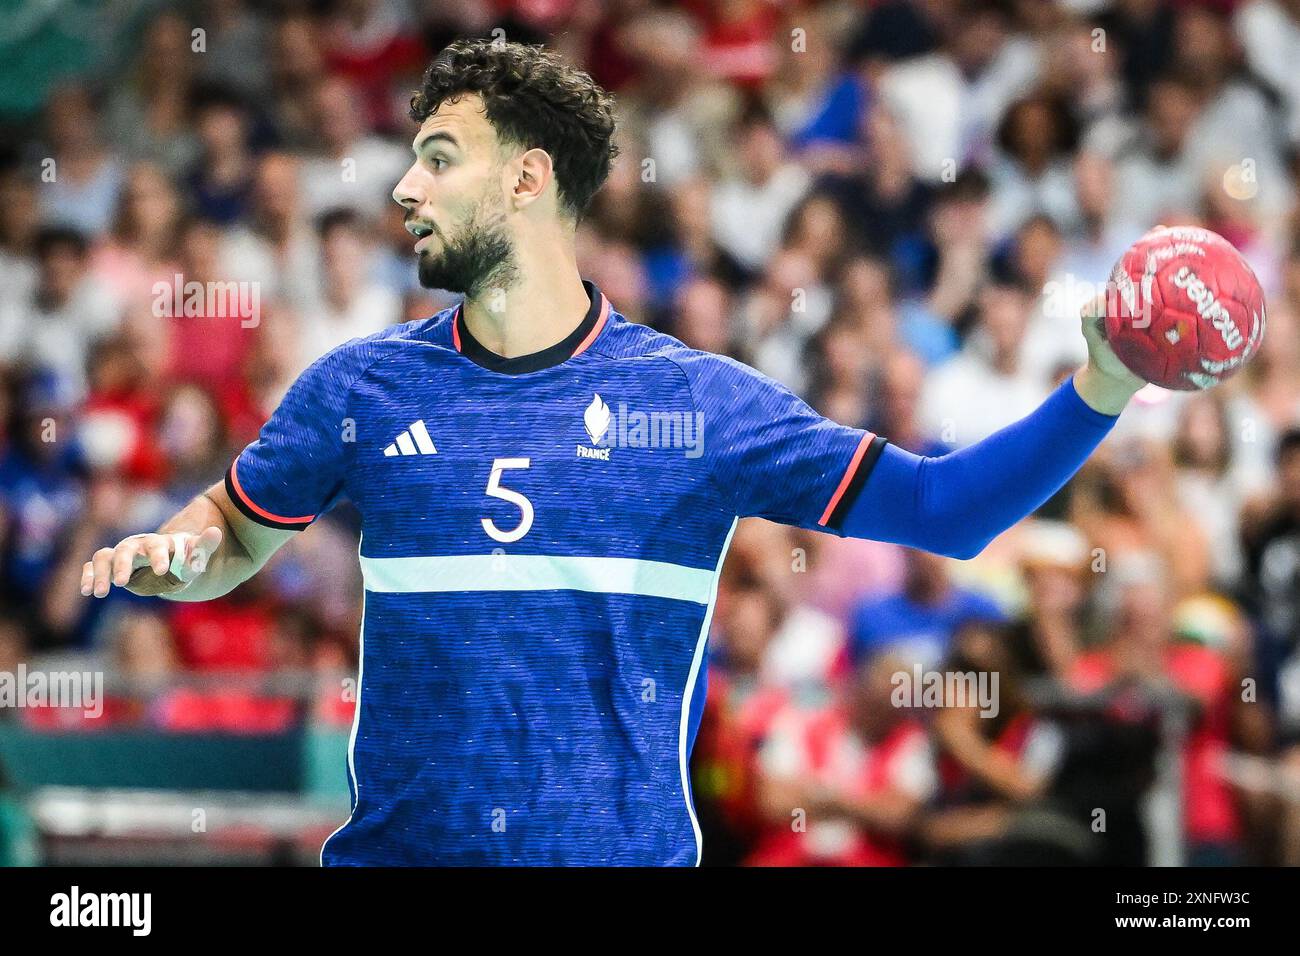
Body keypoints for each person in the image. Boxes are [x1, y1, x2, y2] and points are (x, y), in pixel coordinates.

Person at [81, 39, 1147, 867]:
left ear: (528, 180)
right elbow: (231, 529)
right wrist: (177, 550)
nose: (404, 189)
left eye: (439, 159)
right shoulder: (354, 388)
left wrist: (1097, 391)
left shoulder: (697, 405)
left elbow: (942, 511)